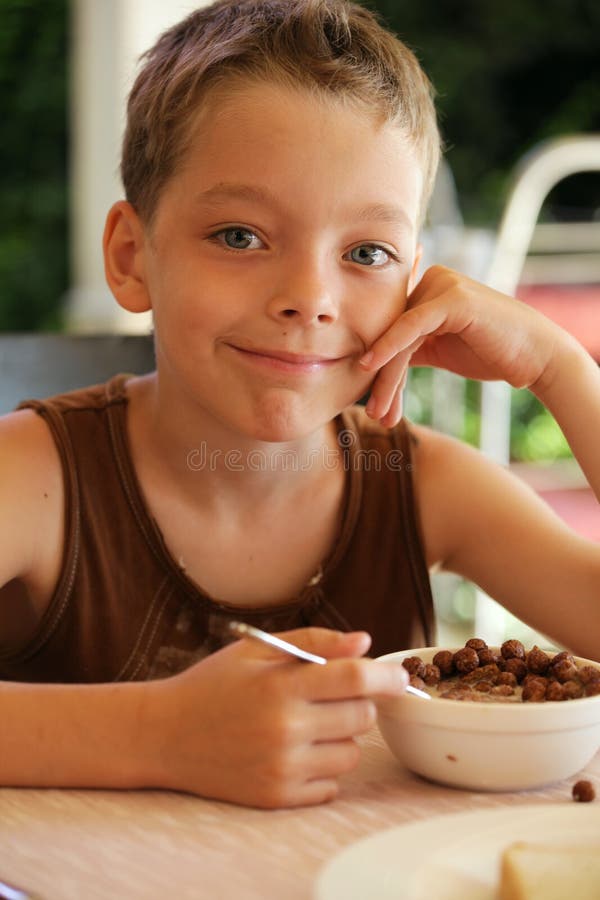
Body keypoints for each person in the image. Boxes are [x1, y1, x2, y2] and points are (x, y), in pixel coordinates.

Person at [1, 0, 599, 810]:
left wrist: (559, 370)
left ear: (415, 283)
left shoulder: (425, 488)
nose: (310, 297)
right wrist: (157, 734)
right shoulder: (36, 479)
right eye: (240, 236)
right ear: (131, 257)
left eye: (366, 253)